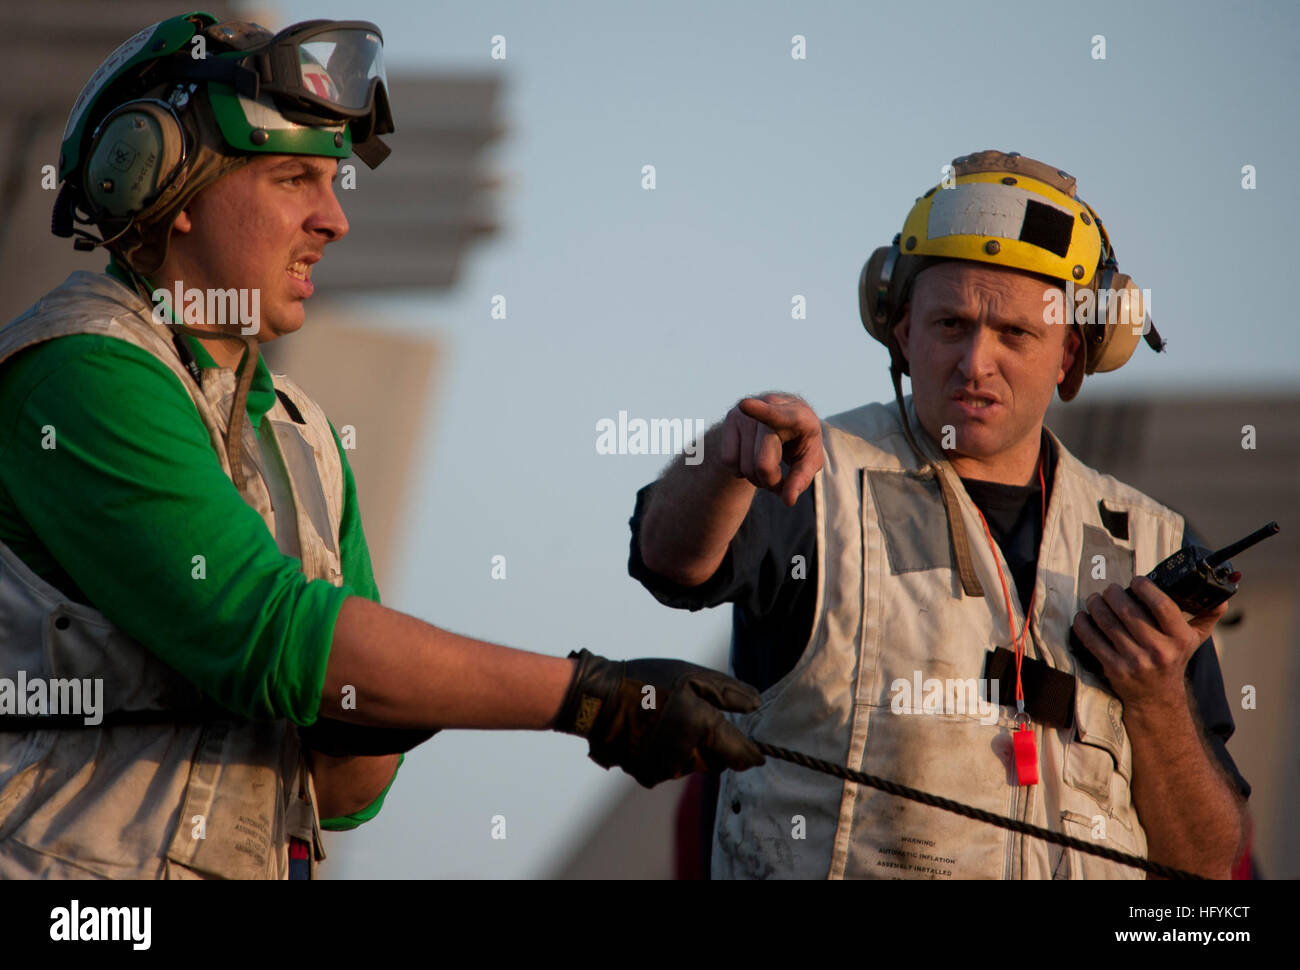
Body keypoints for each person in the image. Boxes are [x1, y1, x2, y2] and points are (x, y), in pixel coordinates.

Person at [0, 13, 762, 880]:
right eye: (293, 178)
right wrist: (593, 698)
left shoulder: (306, 437)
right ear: (164, 187)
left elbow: (349, 792)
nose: (334, 220)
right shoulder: (79, 373)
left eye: (334, 182)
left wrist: (388, 691)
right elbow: (274, 635)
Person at [630, 150, 1251, 880]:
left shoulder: (1152, 541)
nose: (976, 362)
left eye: (1015, 333)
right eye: (951, 324)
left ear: (1069, 353)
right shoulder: (811, 472)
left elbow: (1207, 864)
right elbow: (667, 561)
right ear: (902, 333)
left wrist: (1155, 700)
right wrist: (722, 460)